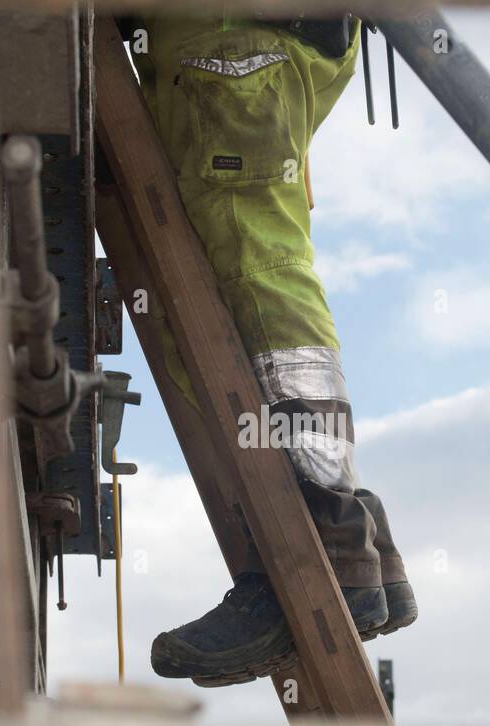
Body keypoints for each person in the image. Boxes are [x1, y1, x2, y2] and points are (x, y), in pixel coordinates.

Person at [126, 14, 416, 687]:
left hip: (226, 34)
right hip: (222, 39)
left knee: (255, 267)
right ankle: (352, 546)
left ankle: (325, 539)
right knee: (215, 291)